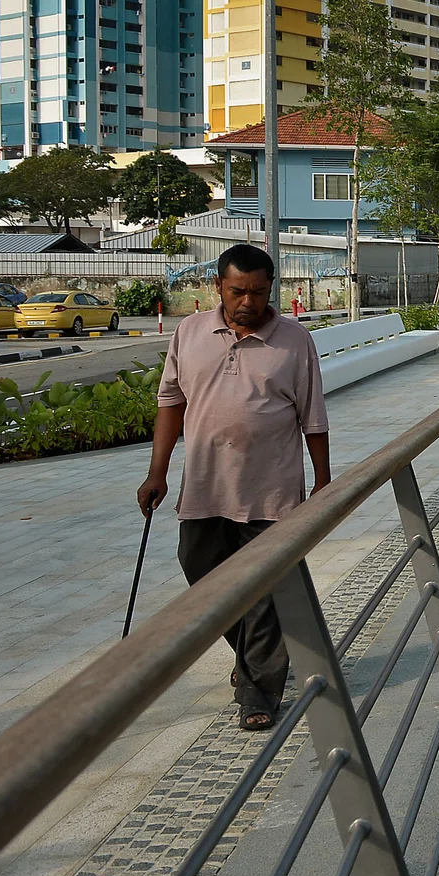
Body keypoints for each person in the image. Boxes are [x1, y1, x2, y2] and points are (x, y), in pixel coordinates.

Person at [137, 244, 330, 731]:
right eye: (238, 291)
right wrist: (157, 472)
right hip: (205, 486)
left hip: (272, 491)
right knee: (204, 578)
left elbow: (313, 416)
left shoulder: (295, 341)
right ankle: (253, 660)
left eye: (259, 292)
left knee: (265, 590)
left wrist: (323, 480)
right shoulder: (189, 332)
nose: (248, 302)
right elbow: (170, 403)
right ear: (217, 286)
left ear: (272, 289)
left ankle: (257, 689)